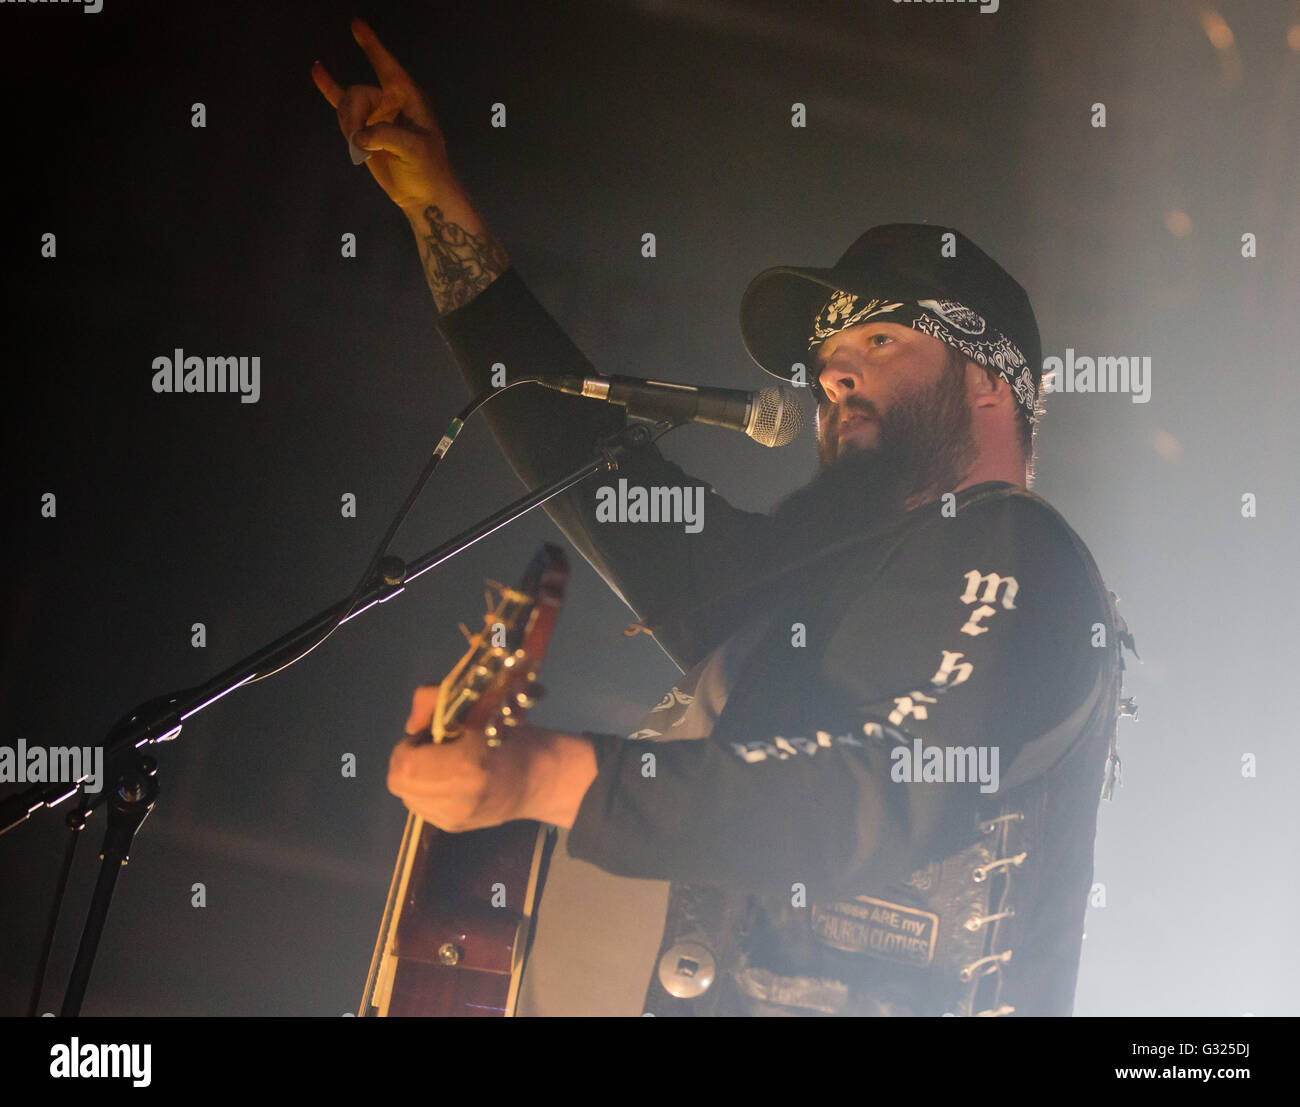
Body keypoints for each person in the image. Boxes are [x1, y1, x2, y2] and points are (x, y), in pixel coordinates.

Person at [314, 19, 1137, 1017]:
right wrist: (437, 208)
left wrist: (555, 775)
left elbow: (885, 784)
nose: (834, 372)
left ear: (991, 386)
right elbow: (580, 468)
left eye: (878, 337)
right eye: (828, 360)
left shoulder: (1025, 556)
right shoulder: (804, 585)